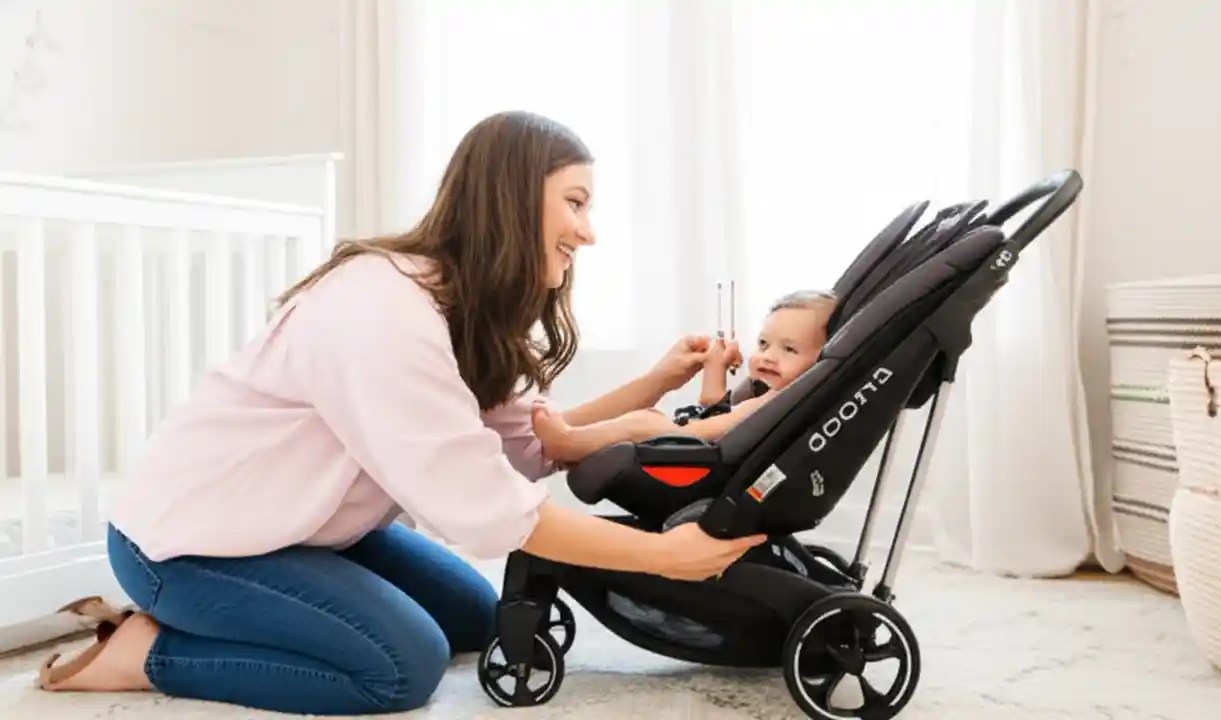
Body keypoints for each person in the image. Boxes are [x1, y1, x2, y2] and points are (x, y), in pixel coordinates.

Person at [34, 111, 765, 715]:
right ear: (513, 198)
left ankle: (250, 617)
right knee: (397, 665)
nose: (588, 231)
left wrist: (655, 385)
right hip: (195, 546)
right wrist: (668, 558)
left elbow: (536, 445)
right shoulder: (383, 310)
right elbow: (487, 505)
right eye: (575, 203)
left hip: (304, 530)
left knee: (475, 618)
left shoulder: (457, 305)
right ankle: (148, 652)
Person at [530, 289, 837, 462]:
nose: (769, 356)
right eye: (763, 344)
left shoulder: (780, 400)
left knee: (641, 422)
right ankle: (574, 442)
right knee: (646, 418)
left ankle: (568, 444)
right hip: (702, 438)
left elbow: (720, 426)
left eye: (789, 350)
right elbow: (713, 406)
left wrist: (663, 430)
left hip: (702, 447)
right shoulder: (771, 396)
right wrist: (714, 367)